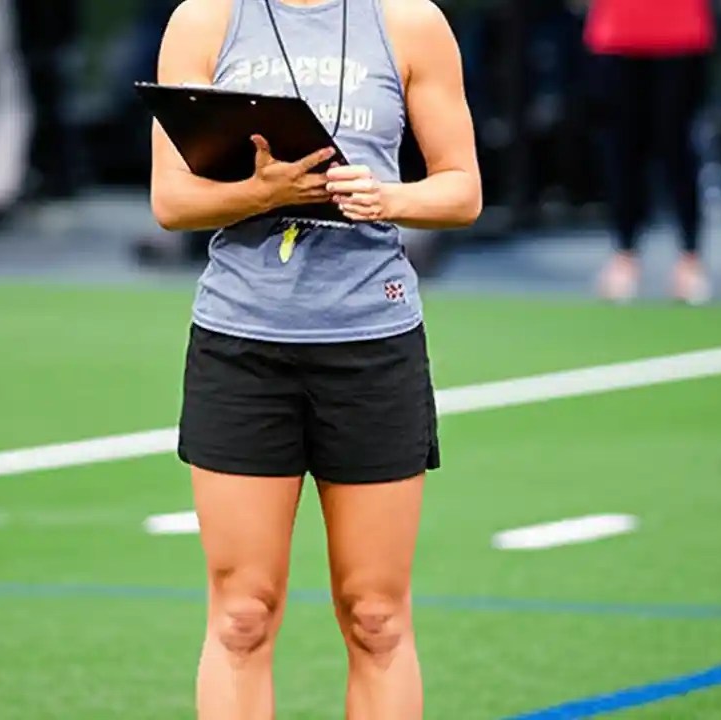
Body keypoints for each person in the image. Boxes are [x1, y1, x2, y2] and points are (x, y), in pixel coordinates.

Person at [150, 0, 481, 717]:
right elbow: (172, 199)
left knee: (376, 617)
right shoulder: (206, 19)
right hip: (242, 344)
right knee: (241, 614)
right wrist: (259, 193)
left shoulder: (409, 20)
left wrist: (386, 196)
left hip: (371, 344)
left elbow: (462, 188)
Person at [584, 0, 715, 304]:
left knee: (679, 149)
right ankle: (624, 254)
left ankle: (690, 258)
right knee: (621, 151)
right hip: (616, 34)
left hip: (682, 32)